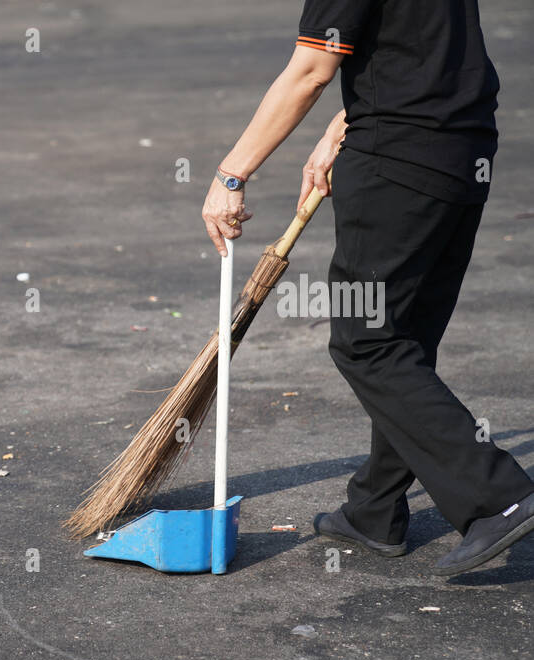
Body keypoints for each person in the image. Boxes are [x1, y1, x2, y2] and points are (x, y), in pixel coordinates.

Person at [200, 0, 534, 576]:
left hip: (396, 163)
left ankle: (497, 495)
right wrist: (342, 124)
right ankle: (375, 509)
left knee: (368, 344)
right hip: (462, 151)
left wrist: (231, 173)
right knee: (404, 339)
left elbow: (310, 70)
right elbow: (413, 49)